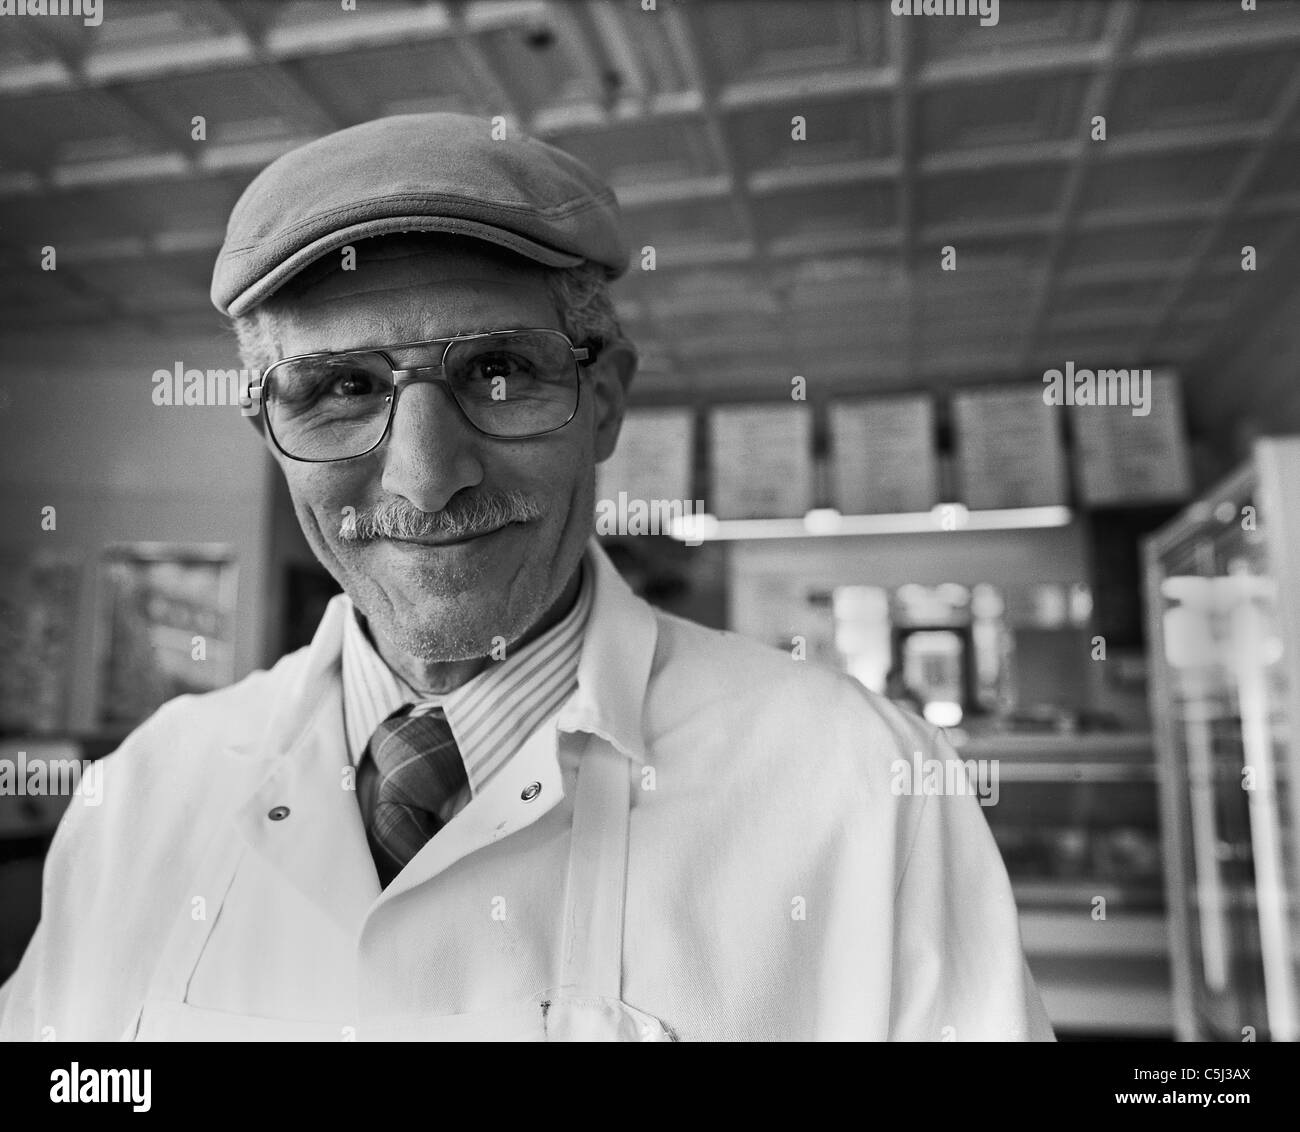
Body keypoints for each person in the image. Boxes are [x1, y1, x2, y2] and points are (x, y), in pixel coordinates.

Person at [0, 113, 1052, 1041]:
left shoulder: (860, 789)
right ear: (269, 431)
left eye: (496, 371)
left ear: (603, 402)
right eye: (341, 387)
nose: (424, 479)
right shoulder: (143, 795)